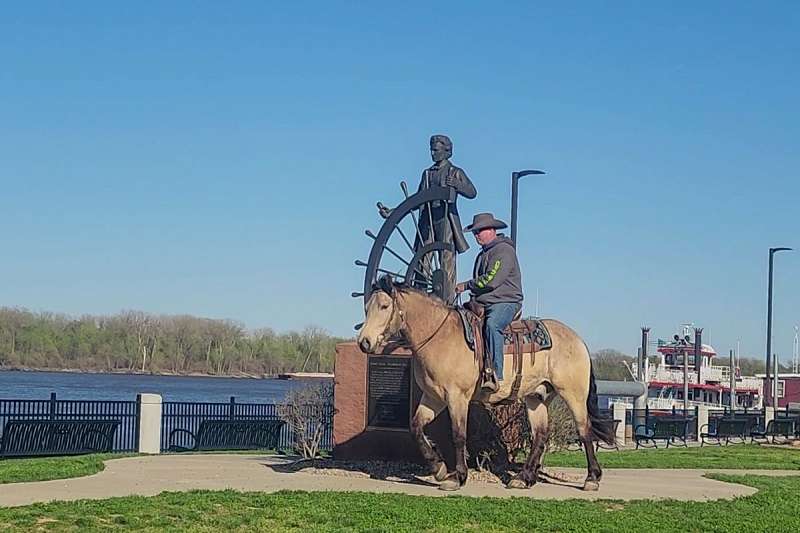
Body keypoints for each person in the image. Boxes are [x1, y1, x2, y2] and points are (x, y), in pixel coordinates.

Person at [379, 135, 476, 302]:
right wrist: (394, 211)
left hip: (445, 219)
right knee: (423, 259)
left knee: (446, 259)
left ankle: (448, 300)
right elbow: (417, 199)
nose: (432, 153)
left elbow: (472, 192)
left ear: (446, 151)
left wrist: (457, 184)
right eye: (431, 150)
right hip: (428, 221)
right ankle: (421, 297)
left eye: (436, 150)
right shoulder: (427, 174)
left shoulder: (454, 172)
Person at [456, 213, 523, 393]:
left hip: (505, 301)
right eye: (475, 232)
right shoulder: (483, 254)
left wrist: (466, 285)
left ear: (492, 230)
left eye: (480, 231)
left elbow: (492, 280)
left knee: (493, 325)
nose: (477, 235)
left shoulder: (504, 251)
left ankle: (495, 373)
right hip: (484, 302)